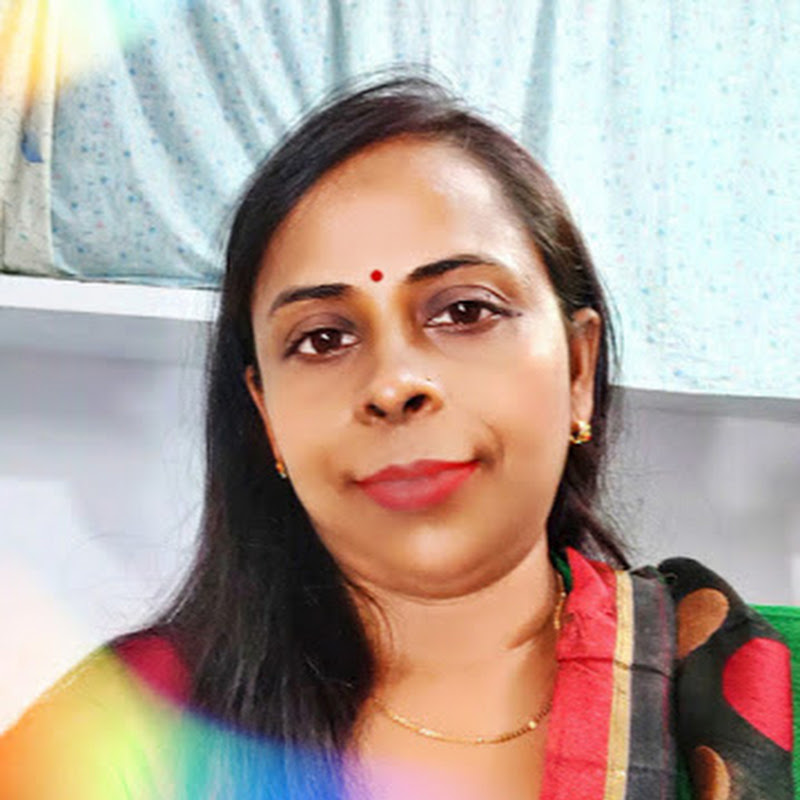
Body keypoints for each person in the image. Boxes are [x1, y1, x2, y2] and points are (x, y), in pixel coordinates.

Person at [1, 76, 797, 800]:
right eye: (323, 338)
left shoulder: (767, 687)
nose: (393, 383)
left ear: (580, 368)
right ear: (266, 414)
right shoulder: (110, 743)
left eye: (465, 311)